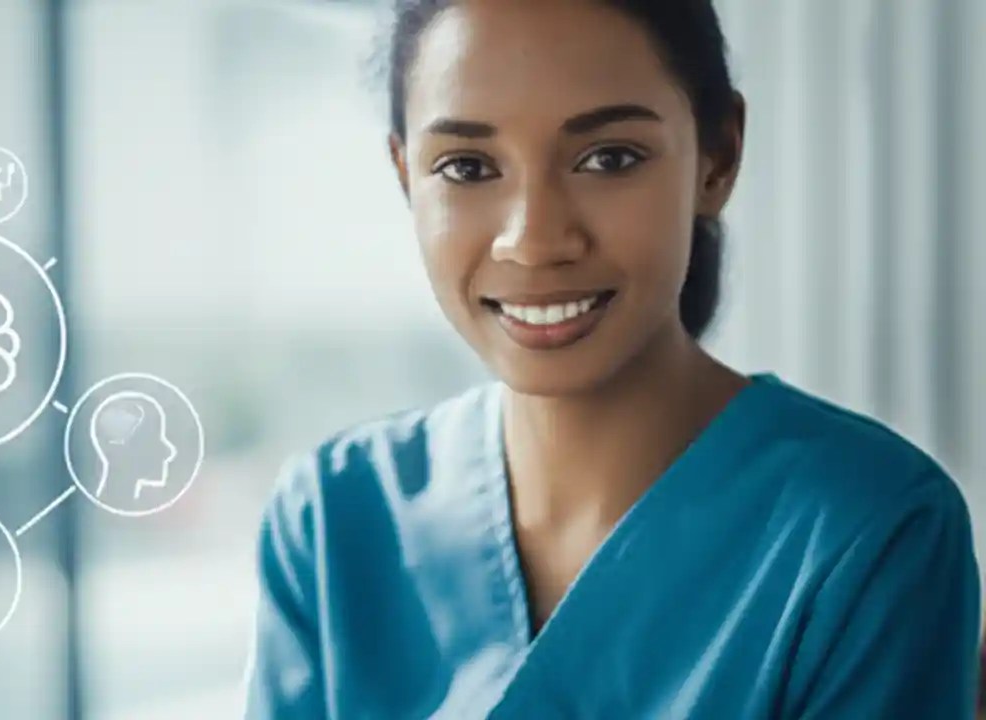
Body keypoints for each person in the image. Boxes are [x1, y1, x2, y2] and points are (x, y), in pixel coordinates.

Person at [242, 0, 981, 717]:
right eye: (466, 167)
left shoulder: (868, 530)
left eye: (608, 158)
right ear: (406, 175)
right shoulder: (332, 522)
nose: (533, 240)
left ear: (717, 159)